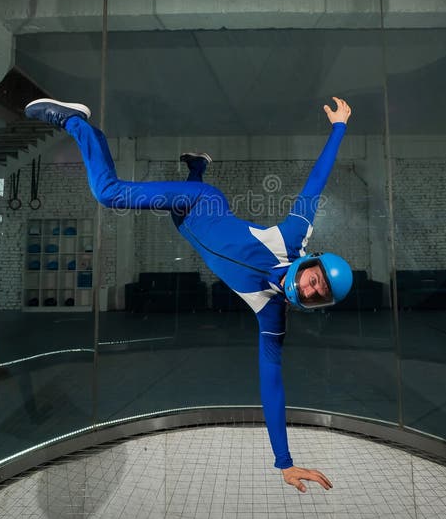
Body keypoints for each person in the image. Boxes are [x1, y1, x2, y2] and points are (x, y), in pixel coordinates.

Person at [25, 95, 353, 493]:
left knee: (177, 214)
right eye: (315, 279)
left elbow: (272, 385)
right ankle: (76, 122)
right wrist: (339, 127)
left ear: (316, 303)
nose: (309, 288)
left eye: (317, 294)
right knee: (109, 193)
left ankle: (197, 166)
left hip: (187, 222)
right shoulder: (291, 238)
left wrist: (285, 462)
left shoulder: (272, 315)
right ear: (311, 263)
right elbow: (316, 183)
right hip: (204, 202)